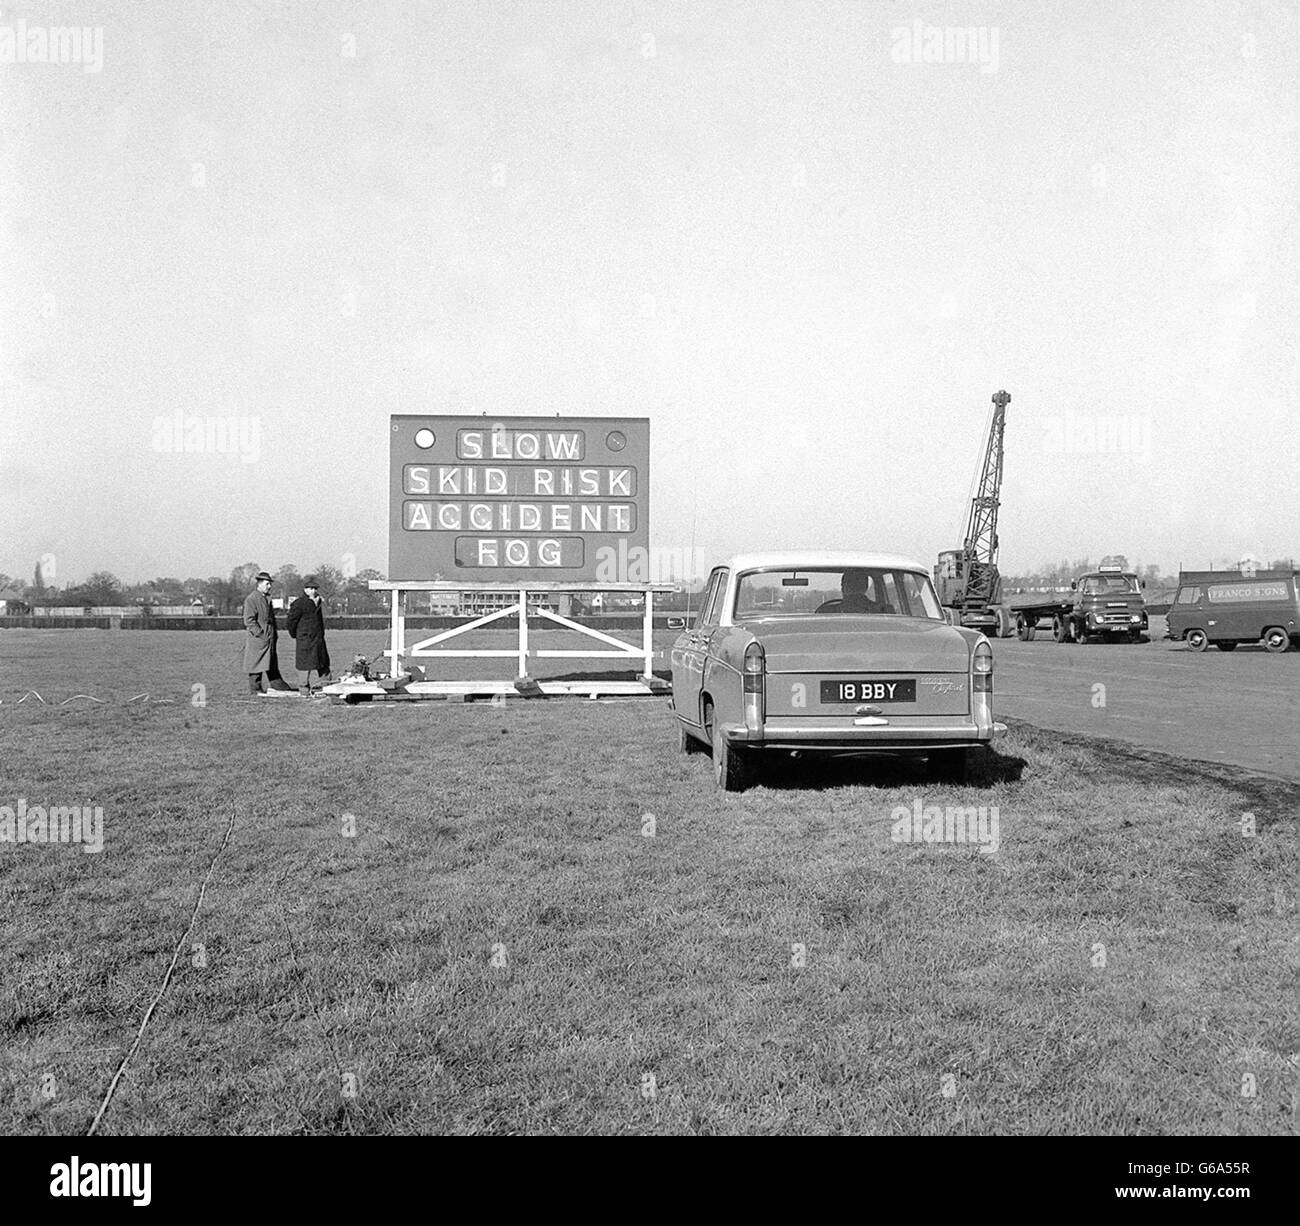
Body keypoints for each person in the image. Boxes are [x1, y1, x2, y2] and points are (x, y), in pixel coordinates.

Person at [242, 571, 292, 694]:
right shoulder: (252, 599)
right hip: (258, 639)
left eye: (270, 584)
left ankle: (277, 685)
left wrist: (274, 633)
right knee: (255, 664)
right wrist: (260, 634)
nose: (269, 586)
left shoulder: (267, 599)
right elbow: (249, 620)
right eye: (267, 584)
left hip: (269, 637)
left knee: (271, 662)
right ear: (259, 584)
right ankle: (255, 689)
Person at [287, 576, 332, 696]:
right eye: (310, 588)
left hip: (318, 639)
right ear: (305, 590)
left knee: (323, 664)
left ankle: (327, 687)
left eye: (315, 588)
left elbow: (320, 621)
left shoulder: (318, 602)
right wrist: (296, 634)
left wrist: (321, 634)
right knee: (304, 666)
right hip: (305, 639)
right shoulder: (299, 603)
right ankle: (304, 690)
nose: (313, 591)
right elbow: (291, 622)